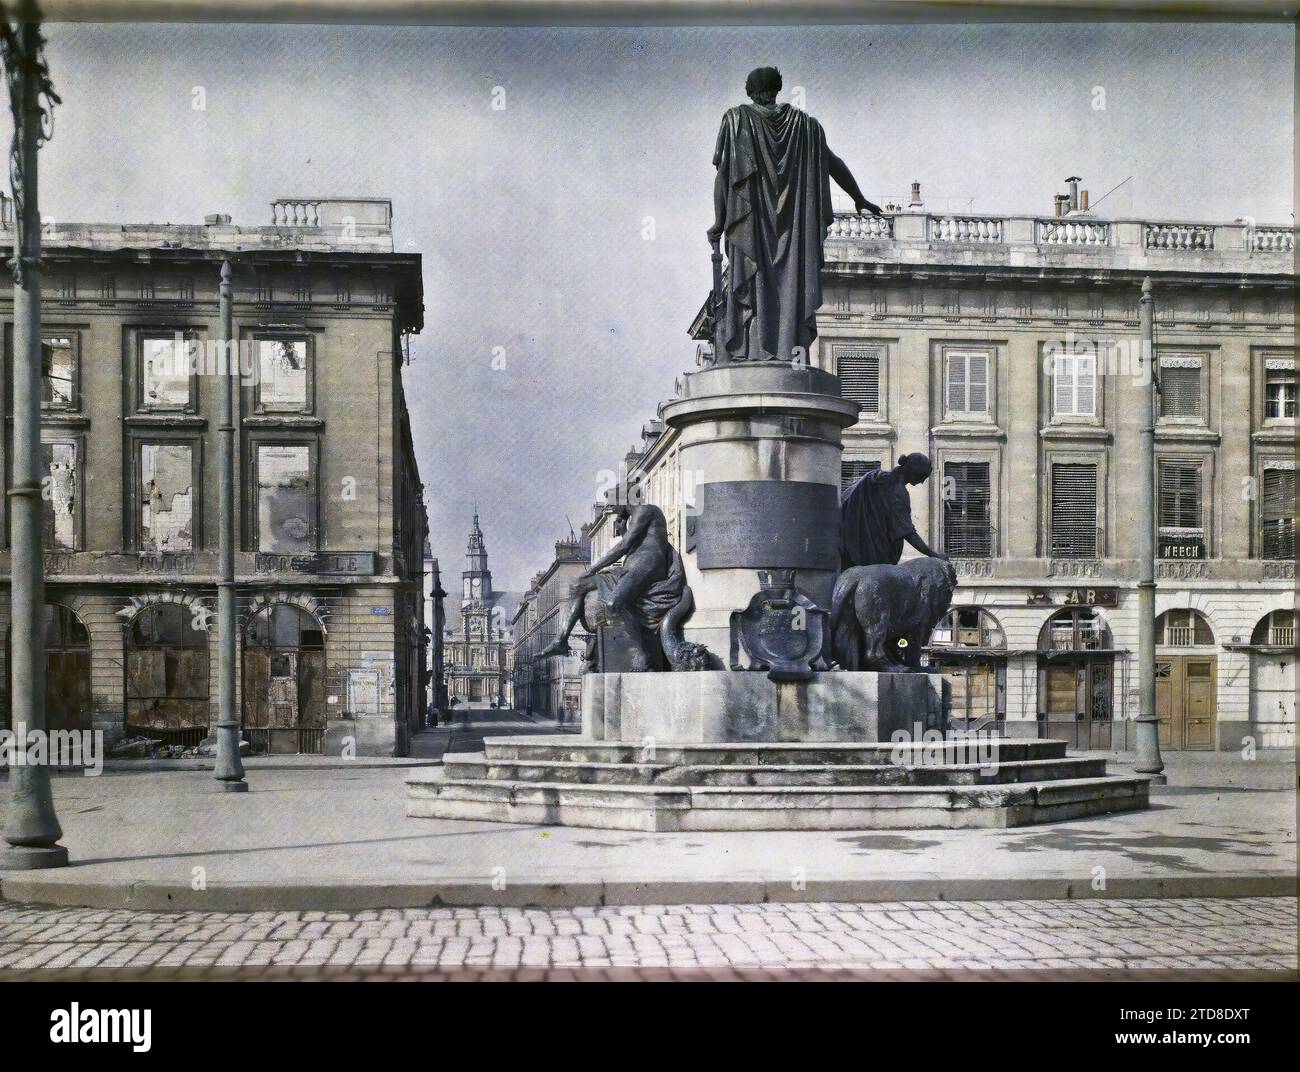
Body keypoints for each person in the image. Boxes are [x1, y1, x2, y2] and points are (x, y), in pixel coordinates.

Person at [709, 66, 881, 363]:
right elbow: (832, 163)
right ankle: (788, 350)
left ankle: (753, 353)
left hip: (753, 229)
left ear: (750, 90)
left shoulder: (736, 120)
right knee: (789, 288)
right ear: (777, 88)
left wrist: (719, 222)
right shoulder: (806, 127)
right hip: (793, 237)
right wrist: (858, 197)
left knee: (754, 285)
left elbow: (725, 178)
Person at [841, 453, 948, 569]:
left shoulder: (875, 476)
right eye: (922, 477)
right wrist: (933, 554)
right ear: (914, 473)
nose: (922, 482)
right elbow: (907, 532)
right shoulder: (899, 493)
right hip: (874, 555)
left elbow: (846, 497)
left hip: (850, 543)